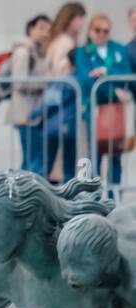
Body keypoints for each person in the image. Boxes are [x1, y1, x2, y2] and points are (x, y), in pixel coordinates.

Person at [75, 13, 134, 200]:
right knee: (94, 156)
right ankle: (94, 198)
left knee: (115, 154)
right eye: (98, 30)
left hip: (115, 112)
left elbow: (126, 75)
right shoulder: (82, 52)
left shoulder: (118, 50)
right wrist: (112, 90)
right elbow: (86, 81)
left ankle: (113, 198)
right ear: (90, 31)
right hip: (94, 110)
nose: (102, 34)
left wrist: (107, 72)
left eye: (106, 31)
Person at [43, 3, 88, 182]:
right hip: (64, 103)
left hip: (60, 103)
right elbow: (62, 73)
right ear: (71, 19)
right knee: (64, 159)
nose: (82, 23)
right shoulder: (65, 43)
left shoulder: (59, 41)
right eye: (80, 19)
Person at [10, 15, 52, 176]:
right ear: (30, 29)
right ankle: (28, 199)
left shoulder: (37, 51)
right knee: (32, 162)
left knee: (32, 160)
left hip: (34, 114)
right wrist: (45, 83)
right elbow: (19, 82)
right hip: (26, 114)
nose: (45, 33)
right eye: (41, 29)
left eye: (48, 30)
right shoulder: (23, 51)